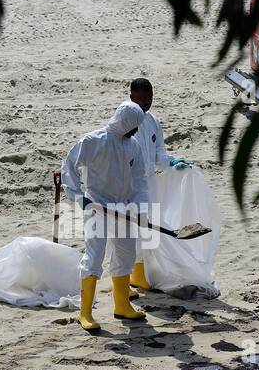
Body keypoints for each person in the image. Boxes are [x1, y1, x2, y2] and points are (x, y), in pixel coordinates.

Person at [60, 103, 151, 333]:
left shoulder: (133, 147)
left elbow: (139, 180)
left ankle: (122, 305)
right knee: (95, 255)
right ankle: (85, 313)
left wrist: (139, 208)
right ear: (123, 122)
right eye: (133, 127)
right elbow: (69, 165)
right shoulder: (93, 141)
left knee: (126, 253)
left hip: (124, 209)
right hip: (96, 206)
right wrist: (78, 198)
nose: (135, 132)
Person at [127, 78, 190, 291]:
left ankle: (142, 272)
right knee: (131, 231)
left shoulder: (153, 121)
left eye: (150, 98)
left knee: (149, 229)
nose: (146, 103)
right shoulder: (124, 120)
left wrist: (171, 162)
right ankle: (131, 275)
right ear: (131, 97)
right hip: (130, 186)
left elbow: (157, 152)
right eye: (142, 99)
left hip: (149, 183)